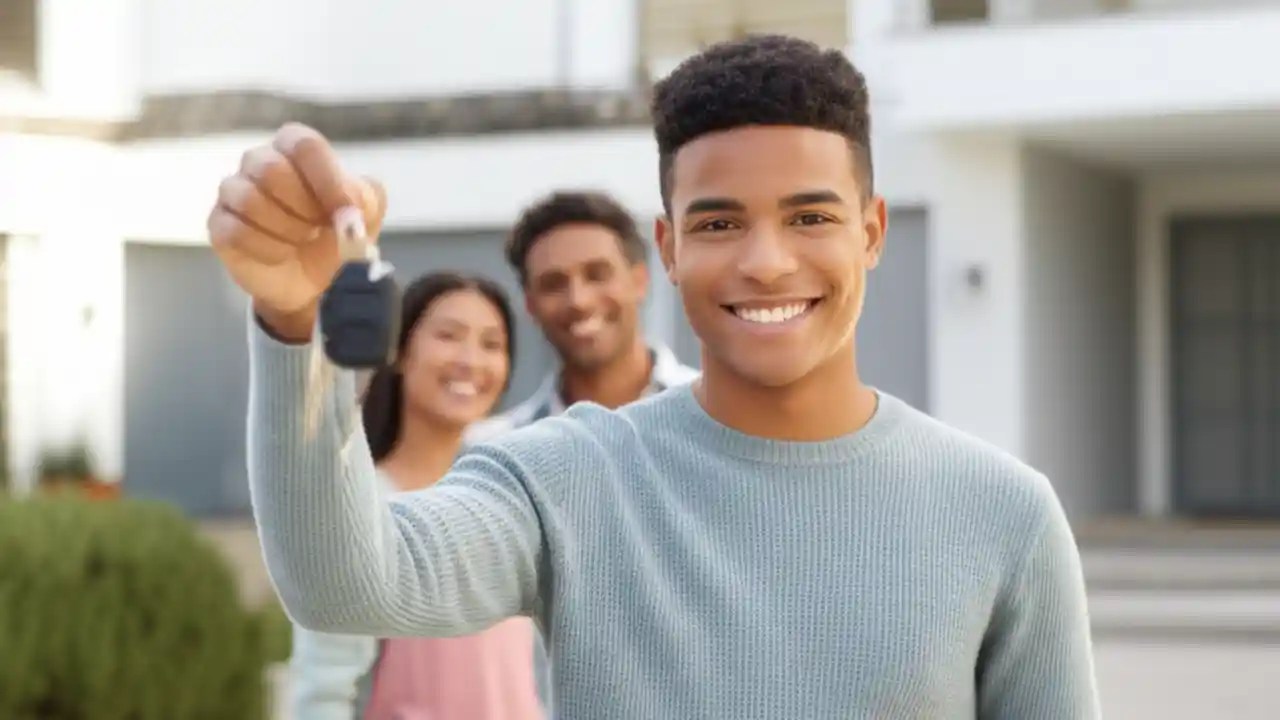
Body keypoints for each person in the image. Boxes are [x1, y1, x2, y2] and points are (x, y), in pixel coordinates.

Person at [211, 34, 1100, 719]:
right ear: (668, 248)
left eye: (809, 216)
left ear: (871, 231)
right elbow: (344, 584)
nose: (765, 260)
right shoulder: (562, 477)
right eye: (718, 224)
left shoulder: (1004, 514)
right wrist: (295, 324)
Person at [464, 191, 699, 714]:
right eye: (553, 284)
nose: (578, 300)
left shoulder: (720, 416)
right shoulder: (500, 455)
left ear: (640, 279)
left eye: (597, 273)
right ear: (528, 304)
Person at [286, 271, 544, 720]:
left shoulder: (514, 503)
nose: (470, 360)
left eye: (491, 344)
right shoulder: (357, 509)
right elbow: (324, 688)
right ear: (401, 352)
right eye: (449, 336)